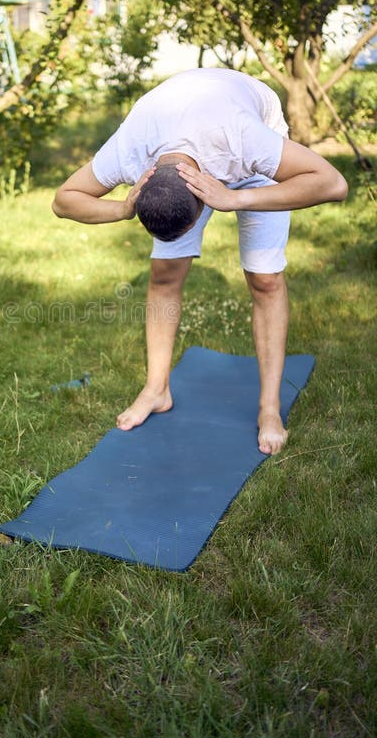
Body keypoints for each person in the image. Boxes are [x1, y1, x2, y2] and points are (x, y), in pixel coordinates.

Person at [52, 68, 348, 455]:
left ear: (202, 208)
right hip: (180, 122)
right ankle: (156, 389)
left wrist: (235, 199)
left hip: (237, 126)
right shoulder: (130, 149)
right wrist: (123, 208)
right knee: (164, 273)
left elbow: (333, 183)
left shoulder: (245, 139)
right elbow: (63, 200)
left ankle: (269, 408)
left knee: (265, 279)